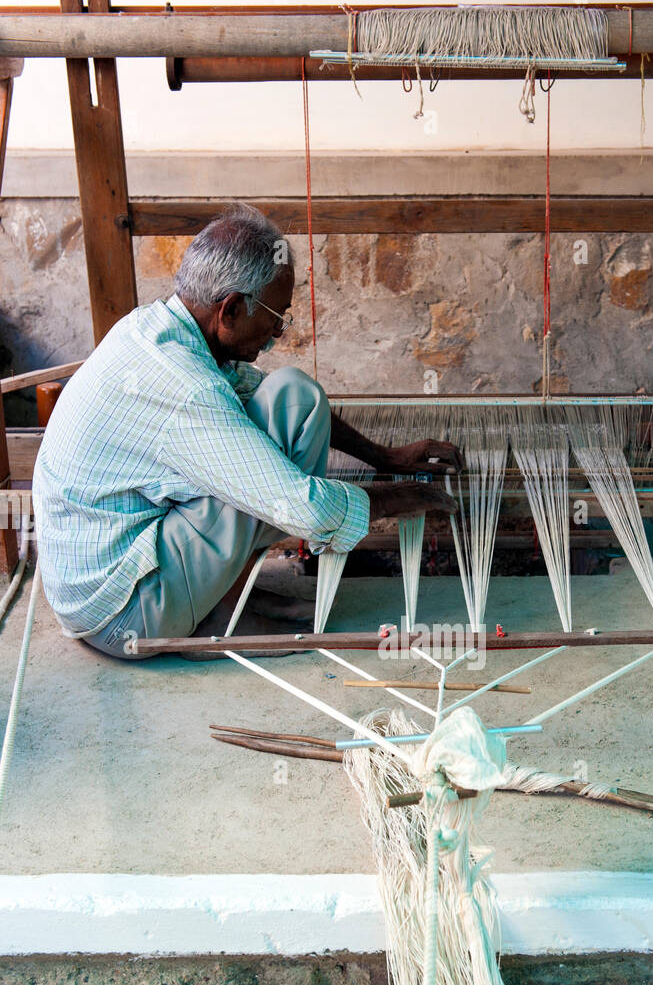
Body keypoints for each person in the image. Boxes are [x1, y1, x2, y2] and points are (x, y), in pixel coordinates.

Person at [32, 203, 461, 659]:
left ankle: (219, 597)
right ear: (232, 308)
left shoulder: (159, 326)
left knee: (296, 395)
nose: (278, 333)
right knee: (261, 485)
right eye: (277, 317)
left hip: (116, 573)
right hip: (122, 614)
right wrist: (410, 496)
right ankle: (206, 619)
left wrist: (385, 457)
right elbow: (306, 509)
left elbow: (273, 396)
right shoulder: (185, 390)